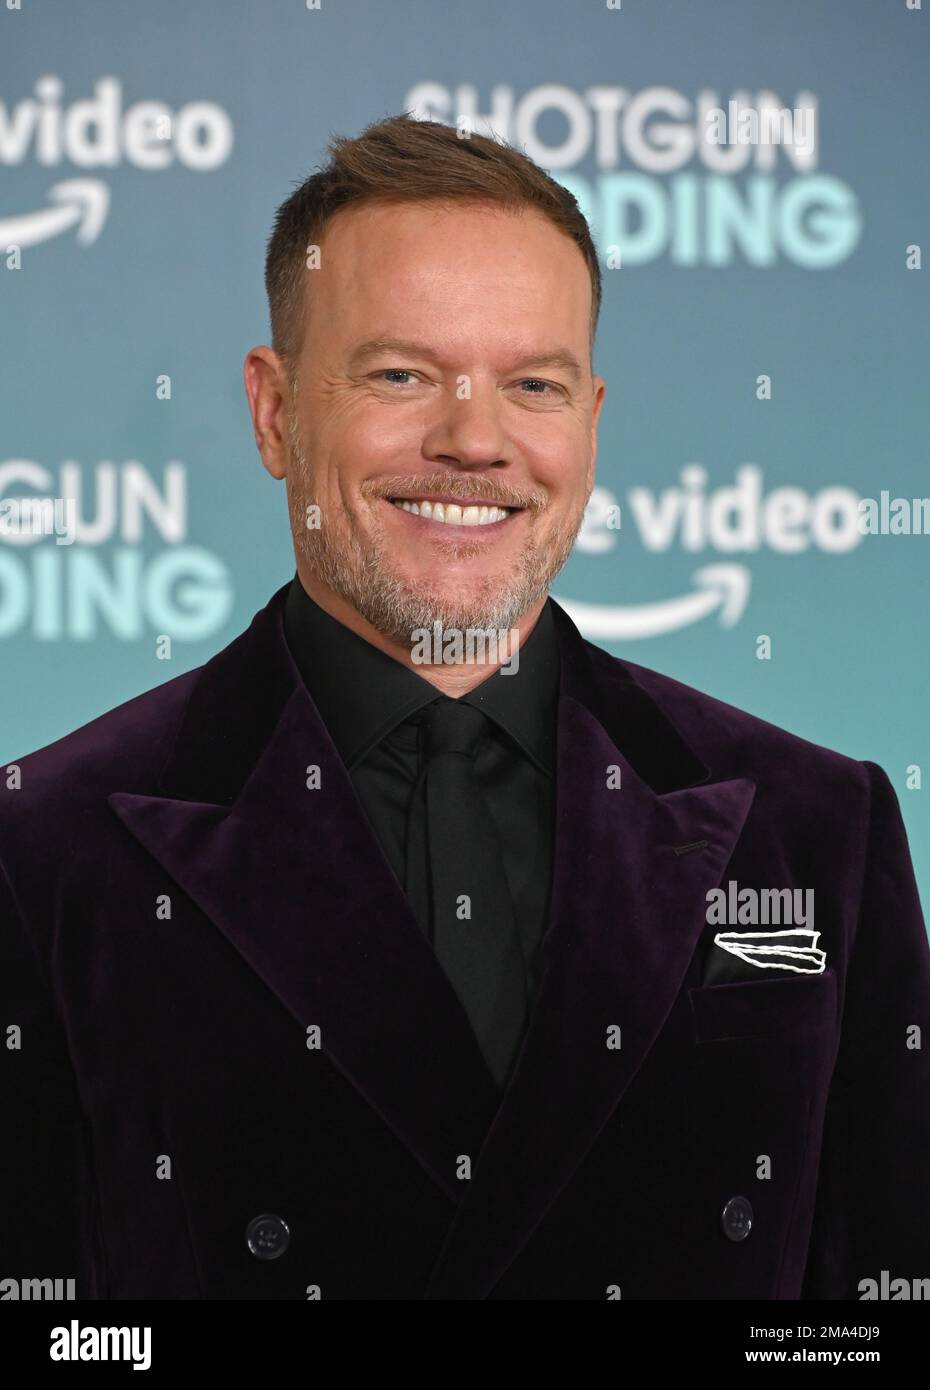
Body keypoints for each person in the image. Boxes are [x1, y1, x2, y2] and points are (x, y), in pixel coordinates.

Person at [1, 114, 928, 1301]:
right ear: (274, 412)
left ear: (590, 422)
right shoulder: (45, 848)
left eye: (533, 385)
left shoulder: (817, 828)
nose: (475, 440)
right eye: (400, 375)